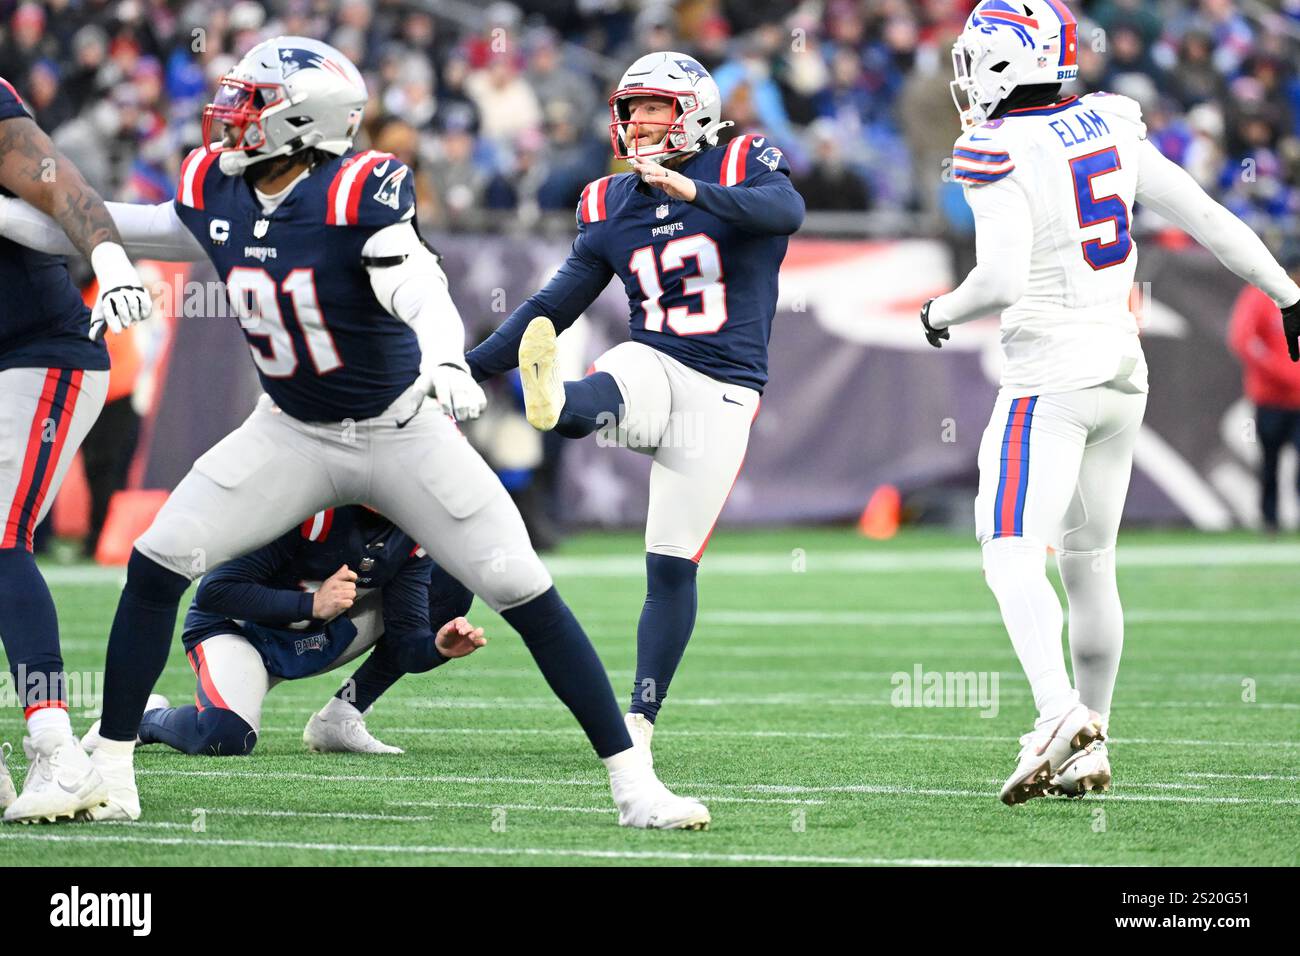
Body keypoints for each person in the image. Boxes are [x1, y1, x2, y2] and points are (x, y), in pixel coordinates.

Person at [0, 38, 709, 830]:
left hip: (400, 428)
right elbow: (124, 227)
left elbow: (419, 284)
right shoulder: (217, 187)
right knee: (158, 561)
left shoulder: (357, 191)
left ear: (304, 119)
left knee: (520, 587)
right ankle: (114, 768)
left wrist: (446, 358)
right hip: (290, 430)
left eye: (252, 101)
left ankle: (632, 784)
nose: (230, 115)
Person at [921, 0, 1300, 805]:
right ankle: (1094, 743)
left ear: (1008, 62)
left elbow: (1000, 281)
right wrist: (1288, 294)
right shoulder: (1107, 123)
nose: (965, 76)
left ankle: (1060, 713)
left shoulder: (995, 145)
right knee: (1092, 568)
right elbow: (1208, 217)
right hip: (1122, 375)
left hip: (1050, 378)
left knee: (1010, 550)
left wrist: (938, 311)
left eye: (976, 58)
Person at [466, 52, 804, 760]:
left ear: (696, 111)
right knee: (609, 380)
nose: (639, 120)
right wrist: (468, 370)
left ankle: (640, 722)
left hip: (724, 389)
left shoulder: (740, 159)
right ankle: (553, 401)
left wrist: (691, 191)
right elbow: (551, 305)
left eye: (654, 106)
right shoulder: (610, 201)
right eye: (631, 109)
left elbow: (785, 211)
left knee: (671, 568)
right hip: (654, 360)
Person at [0, 74, 151, 824]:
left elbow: (59, 179)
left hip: (40, 348)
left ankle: (57, 749)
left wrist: (112, 263)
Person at [82, 506, 483, 757]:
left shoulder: (411, 529)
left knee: (449, 582)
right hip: (240, 632)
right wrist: (311, 605)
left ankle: (343, 715)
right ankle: (149, 717)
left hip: (323, 633)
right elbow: (216, 591)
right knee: (224, 736)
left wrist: (437, 649)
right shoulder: (312, 507)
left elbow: (407, 643)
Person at [1227, 248, 1300, 532]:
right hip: (1271, 399)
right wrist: (1282, 374)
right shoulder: (1260, 295)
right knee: (1269, 462)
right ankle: (1269, 521)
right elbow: (1243, 339)